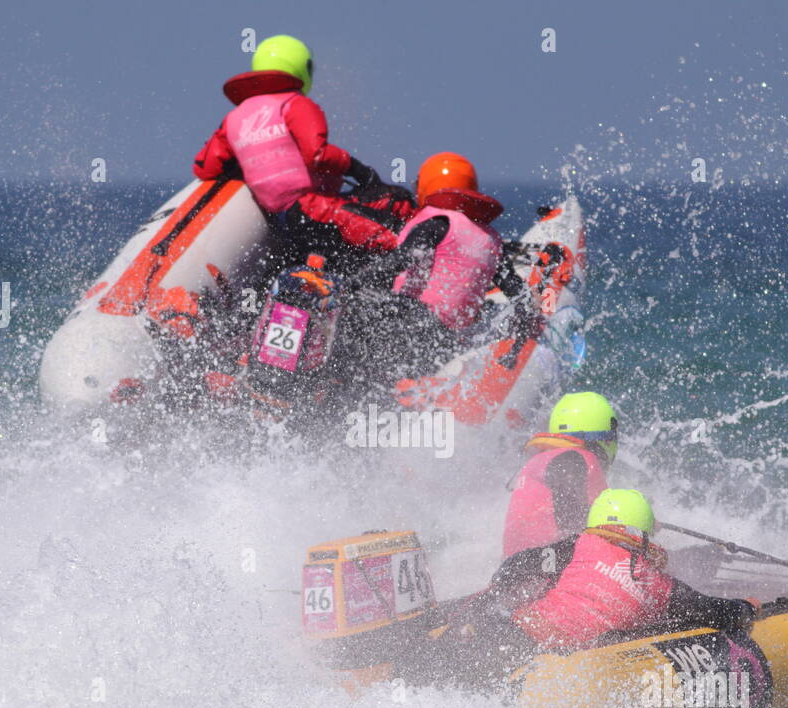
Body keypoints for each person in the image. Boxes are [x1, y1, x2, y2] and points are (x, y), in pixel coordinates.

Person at [191, 35, 413, 270]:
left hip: (284, 221)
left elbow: (205, 167)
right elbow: (317, 155)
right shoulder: (296, 104)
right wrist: (360, 171)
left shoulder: (233, 119)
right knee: (395, 226)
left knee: (343, 256)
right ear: (302, 67)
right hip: (313, 209)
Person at [341, 152, 540, 380]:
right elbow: (519, 294)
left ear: (426, 186)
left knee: (349, 302)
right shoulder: (492, 240)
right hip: (450, 338)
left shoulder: (436, 224)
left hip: (414, 321)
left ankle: (341, 379)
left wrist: (355, 282)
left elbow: (404, 258)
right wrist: (519, 344)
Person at [493, 489, 756, 652]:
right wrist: (746, 608)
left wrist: (507, 591)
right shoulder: (656, 583)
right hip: (568, 661)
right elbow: (709, 610)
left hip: (518, 635)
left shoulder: (578, 546)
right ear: (642, 532)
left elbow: (512, 567)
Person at [501, 392, 617, 558]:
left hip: (517, 566)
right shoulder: (572, 460)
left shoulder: (539, 461)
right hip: (548, 568)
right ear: (606, 438)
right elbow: (570, 521)